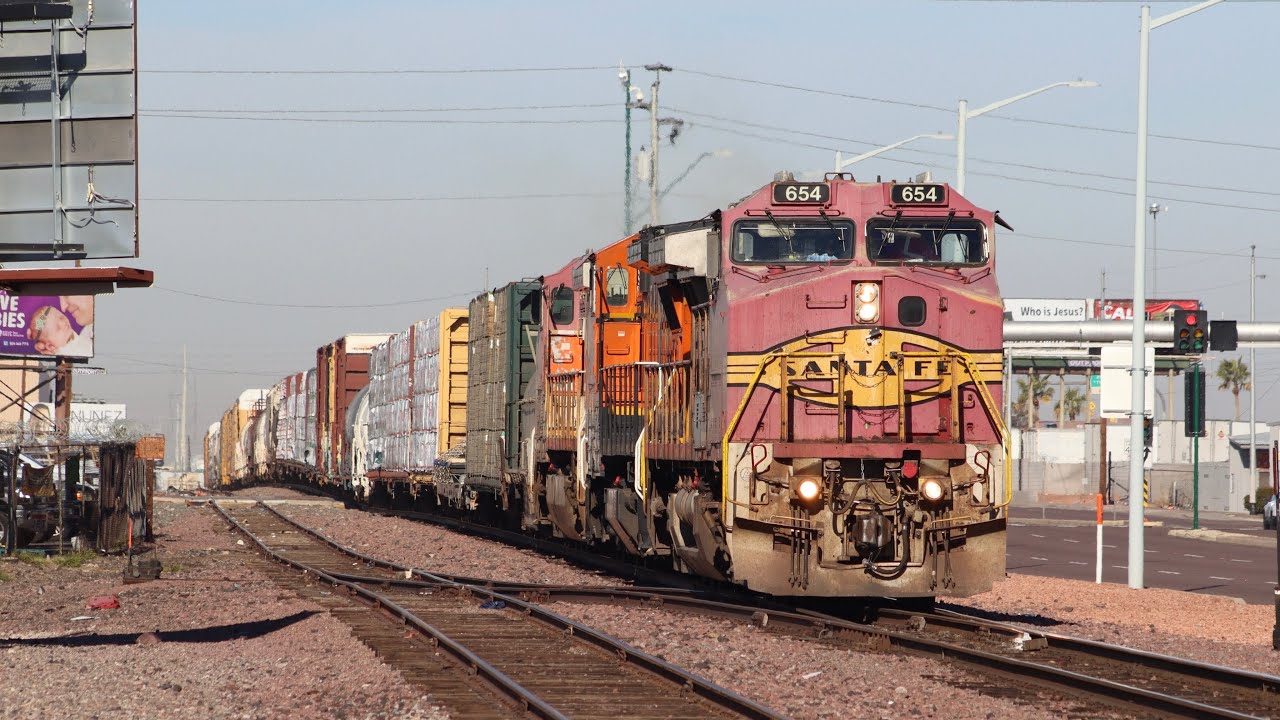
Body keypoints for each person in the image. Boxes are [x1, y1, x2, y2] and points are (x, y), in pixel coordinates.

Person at [27, 305, 92, 356]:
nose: (64, 323)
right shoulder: (64, 353)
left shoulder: (67, 337)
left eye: (61, 317)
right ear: (50, 346)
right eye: (57, 328)